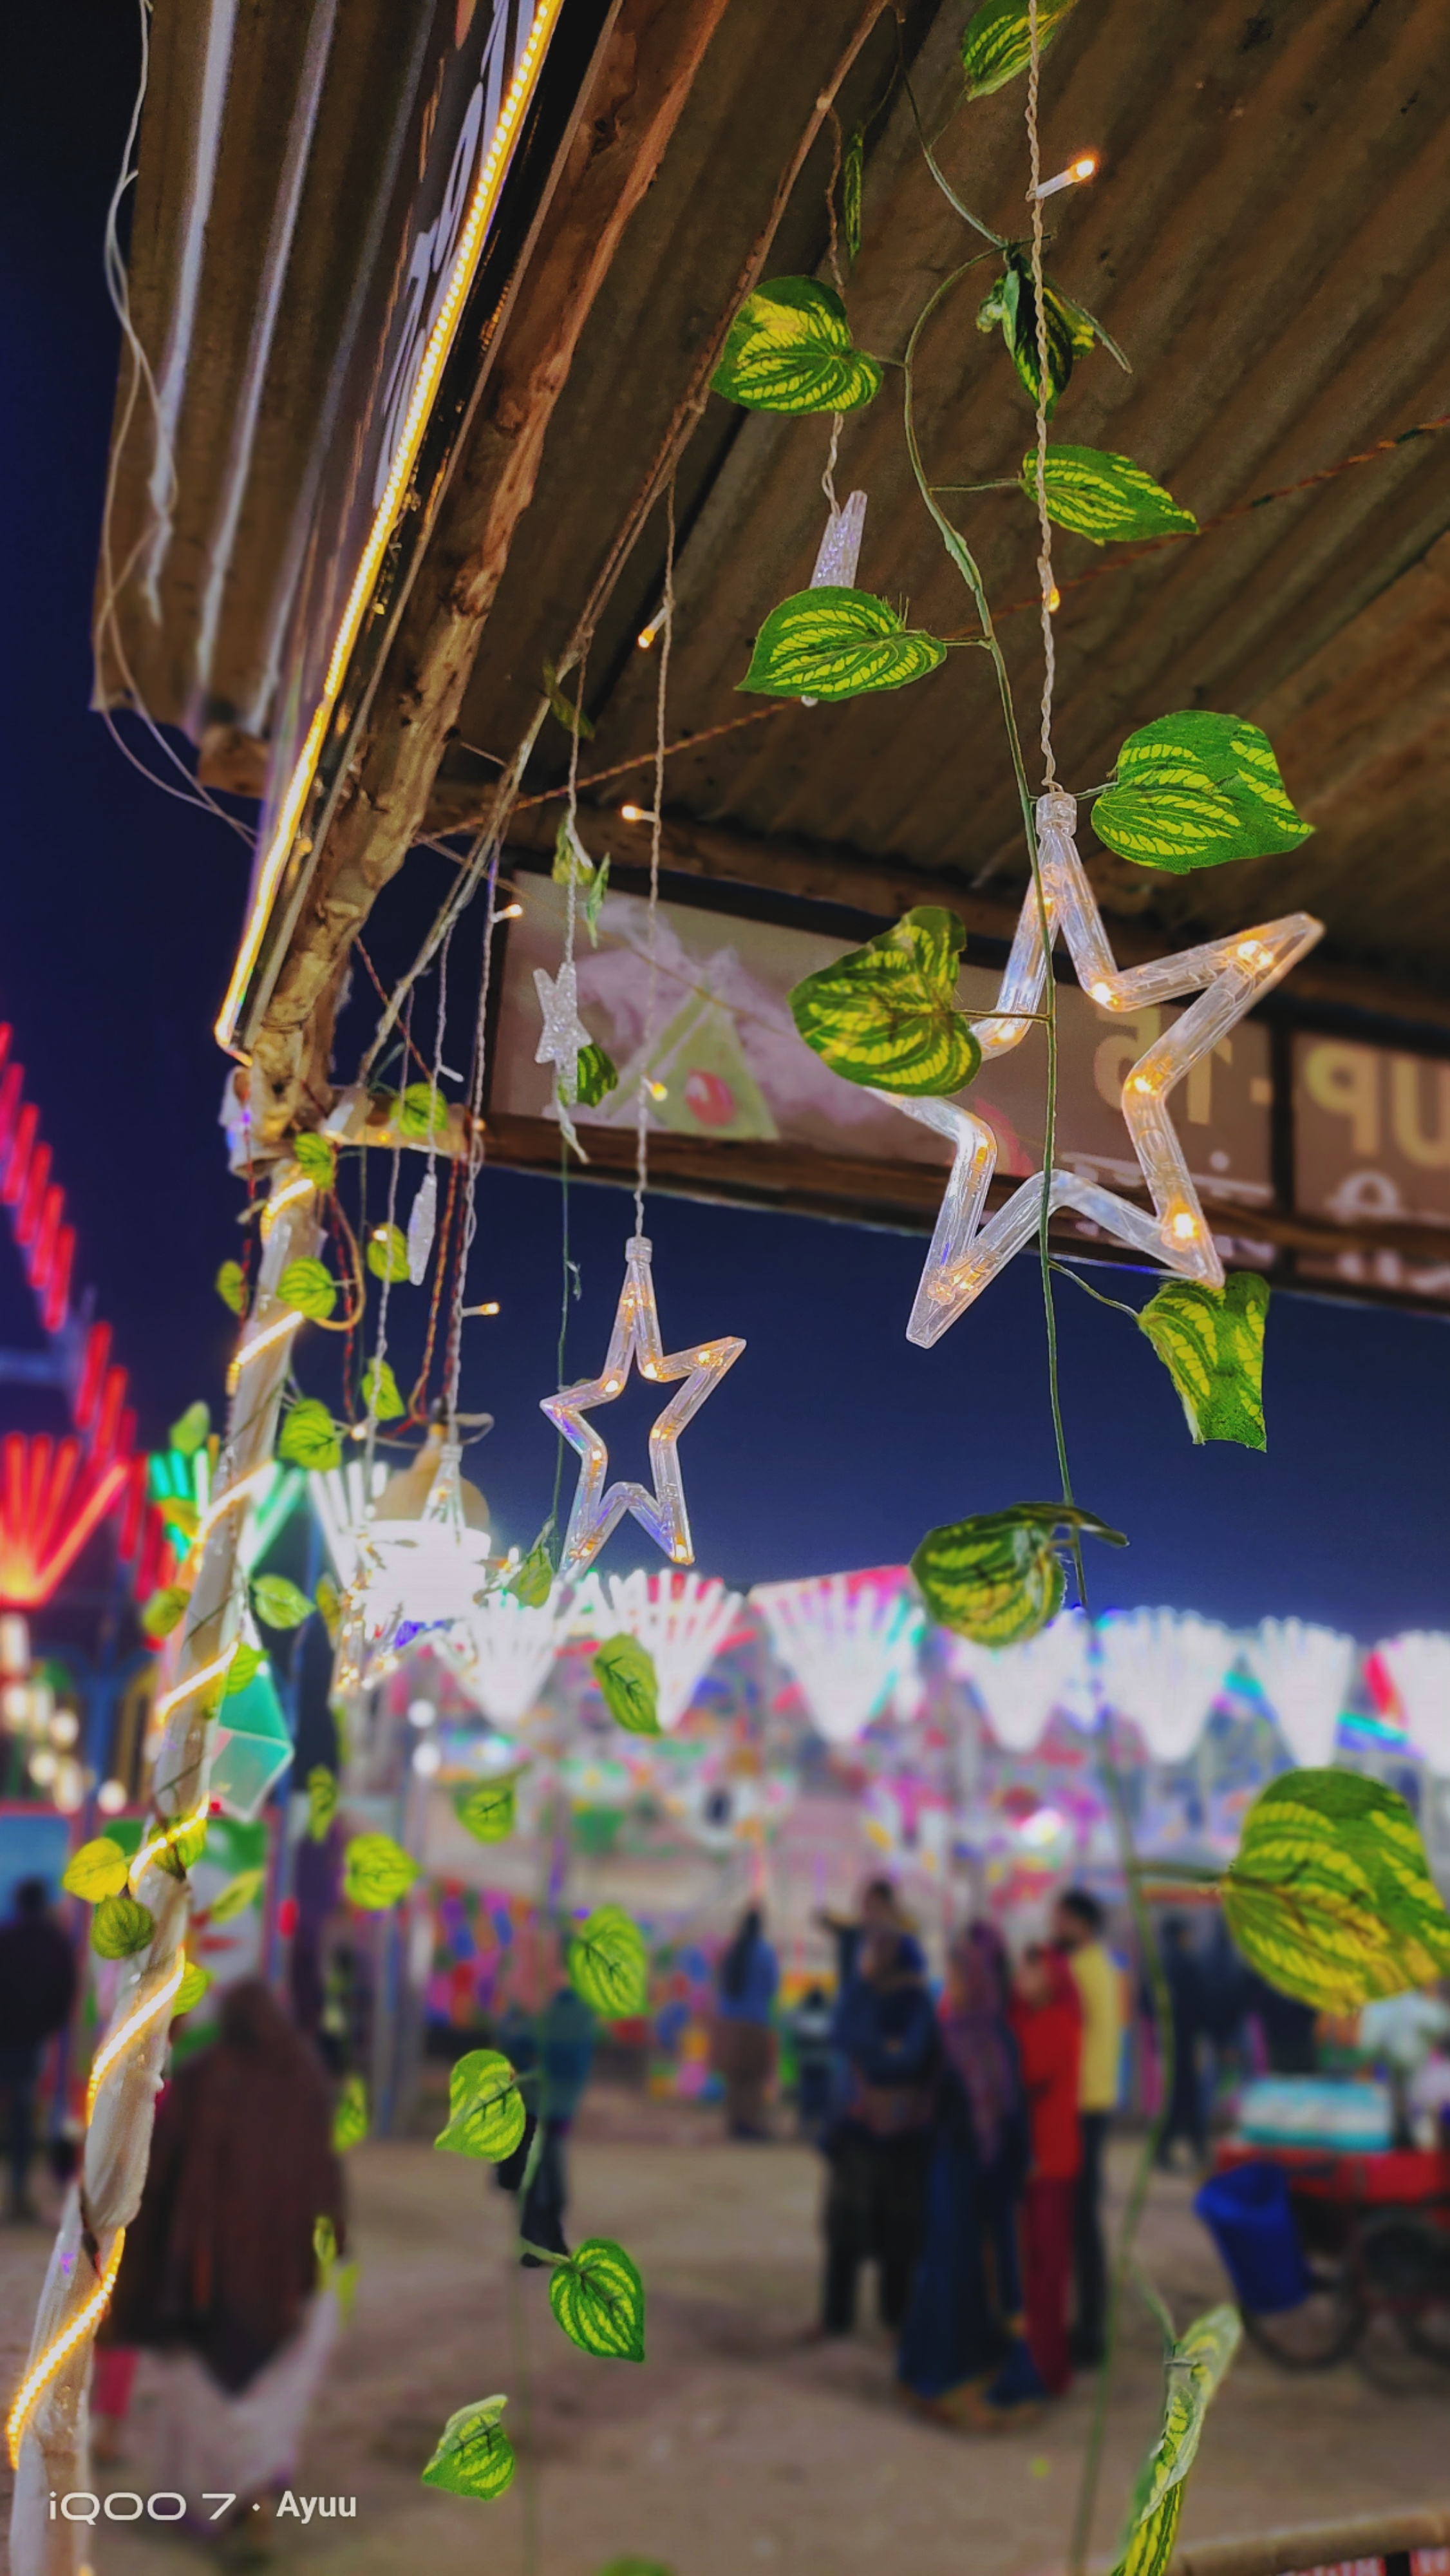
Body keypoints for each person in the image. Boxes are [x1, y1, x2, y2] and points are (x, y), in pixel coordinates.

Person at [100, 1980, 345, 2524]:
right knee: (270, 2388)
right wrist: (335, 2242)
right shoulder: (305, 2082)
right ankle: (253, 2491)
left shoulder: (202, 2079)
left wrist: (136, 2257)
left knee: (202, 2389)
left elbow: (157, 2174)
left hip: (205, 2272)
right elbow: (325, 2174)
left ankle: (217, 2499)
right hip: (286, 2273)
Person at [898, 1922, 1041, 2429]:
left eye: (958, 1974)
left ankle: (956, 2370)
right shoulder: (964, 2034)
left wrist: (1015, 2165)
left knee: (971, 2273)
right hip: (956, 2170)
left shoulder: (985, 2034)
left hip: (980, 2171)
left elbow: (1010, 2110)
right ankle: (934, 2372)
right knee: (948, 2270)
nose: (952, 1984)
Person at [819, 1924, 937, 2338]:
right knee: (844, 2231)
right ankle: (837, 2318)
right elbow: (846, 2035)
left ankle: (895, 2317)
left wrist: (873, 2057)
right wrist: (881, 2051)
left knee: (898, 2235)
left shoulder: (917, 2000)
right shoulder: (862, 1993)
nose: (875, 1957)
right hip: (858, 2132)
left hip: (900, 2136)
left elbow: (911, 2057)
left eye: (884, 1948)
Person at [1053, 1888, 1124, 2369]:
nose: (1053, 1927)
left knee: (1079, 2218)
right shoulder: (1105, 1966)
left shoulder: (1078, 1970)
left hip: (1079, 2103)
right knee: (1083, 2217)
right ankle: (1091, 2321)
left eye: (1058, 1919)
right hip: (1097, 2100)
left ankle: (1092, 2329)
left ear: (1078, 1923)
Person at [1010, 1942, 1082, 2396]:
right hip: (1032, 2162)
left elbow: (1026, 2071)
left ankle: (1045, 2364)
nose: (1022, 1980)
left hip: (1049, 2163)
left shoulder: (1058, 2023)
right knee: (1028, 2267)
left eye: (1032, 1973)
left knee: (1046, 2269)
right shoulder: (1027, 2019)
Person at [0, 1875, 77, 2222]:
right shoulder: (55, 1943)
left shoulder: (6, 1938)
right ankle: (18, 2194)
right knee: (23, 2122)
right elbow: (66, 1994)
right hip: (30, 2044)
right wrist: (45, 2028)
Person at [711, 1904, 778, 2139]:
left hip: (729, 2023)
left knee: (735, 2078)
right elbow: (772, 1988)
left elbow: (720, 1984)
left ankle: (734, 2123)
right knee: (753, 2079)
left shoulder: (731, 1951)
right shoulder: (765, 1952)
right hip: (755, 2023)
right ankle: (749, 2124)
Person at [1156, 1916, 1207, 2168]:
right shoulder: (1187, 1964)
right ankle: (1196, 2148)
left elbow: (1146, 2002)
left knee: (1178, 2097)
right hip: (1187, 2041)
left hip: (1167, 2041)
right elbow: (1201, 2003)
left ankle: (1174, 2147)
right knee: (1186, 2096)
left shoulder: (1160, 1965)